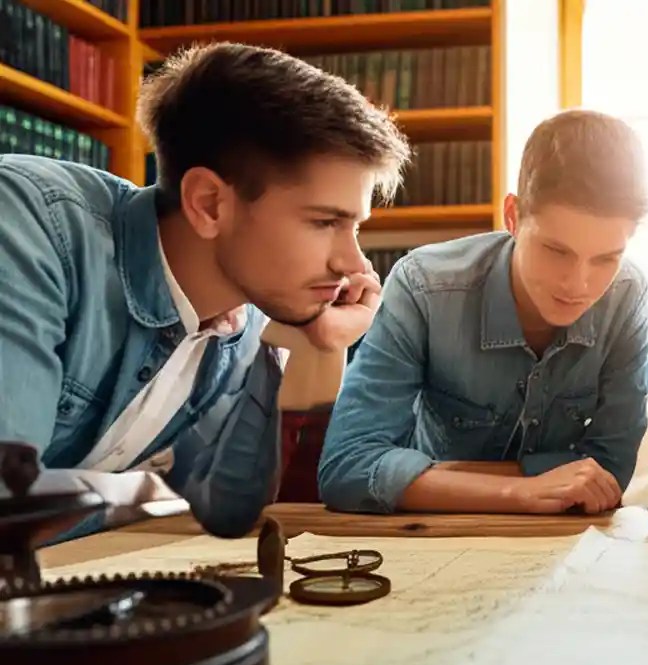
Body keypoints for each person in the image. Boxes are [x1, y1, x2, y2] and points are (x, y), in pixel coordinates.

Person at [0, 43, 411, 539]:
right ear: (209, 204)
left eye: (356, 228)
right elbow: (8, 501)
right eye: (325, 222)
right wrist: (144, 494)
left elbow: (228, 512)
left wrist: (316, 345)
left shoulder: (247, 321)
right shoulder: (28, 226)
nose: (353, 264)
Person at [319, 109, 648, 516]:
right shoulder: (424, 286)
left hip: (558, 544)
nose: (578, 283)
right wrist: (521, 492)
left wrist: (438, 477)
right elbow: (346, 467)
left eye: (605, 258)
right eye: (556, 251)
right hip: (429, 536)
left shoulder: (627, 294)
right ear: (512, 216)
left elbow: (609, 471)